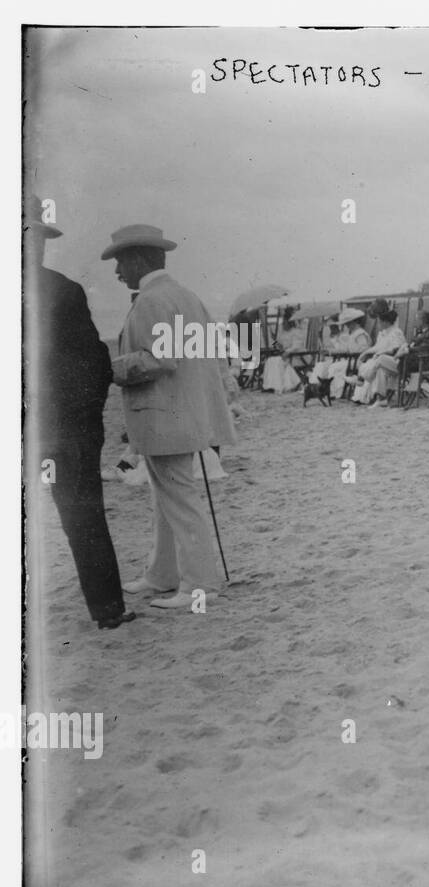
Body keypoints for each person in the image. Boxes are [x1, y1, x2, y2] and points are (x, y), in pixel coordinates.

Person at [102, 223, 236, 608]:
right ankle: (162, 574)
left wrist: (110, 368)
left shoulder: (151, 301)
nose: (116, 272)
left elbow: (160, 359)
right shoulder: (186, 296)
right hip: (187, 413)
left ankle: (200, 586)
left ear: (139, 259)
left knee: (178, 499)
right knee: (167, 498)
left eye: (120, 263)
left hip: (164, 417)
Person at [25, 199, 134, 629]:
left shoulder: (63, 291)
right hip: (64, 431)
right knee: (84, 518)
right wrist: (82, 422)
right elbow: (96, 365)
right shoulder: (64, 291)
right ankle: (107, 610)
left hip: (50, 429)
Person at [355, 307, 408, 406]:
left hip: (396, 361)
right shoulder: (383, 333)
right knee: (377, 367)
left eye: (380, 322)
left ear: (386, 322)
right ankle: (378, 398)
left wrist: (381, 353)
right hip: (383, 362)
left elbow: (396, 349)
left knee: (377, 361)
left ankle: (362, 378)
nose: (378, 325)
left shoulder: (396, 332)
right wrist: (365, 353)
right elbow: (377, 347)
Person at [261, 311, 306, 393]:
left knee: (277, 361)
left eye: (285, 322)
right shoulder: (283, 333)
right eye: (283, 322)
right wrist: (274, 340)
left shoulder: (296, 332)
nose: (283, 324)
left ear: (290, 323)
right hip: (286, 356)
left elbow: (296, 346)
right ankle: (271, 385)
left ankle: (279, 386)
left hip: (297, 356)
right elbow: (280, 347)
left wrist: (287, 352)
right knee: (270, 360)